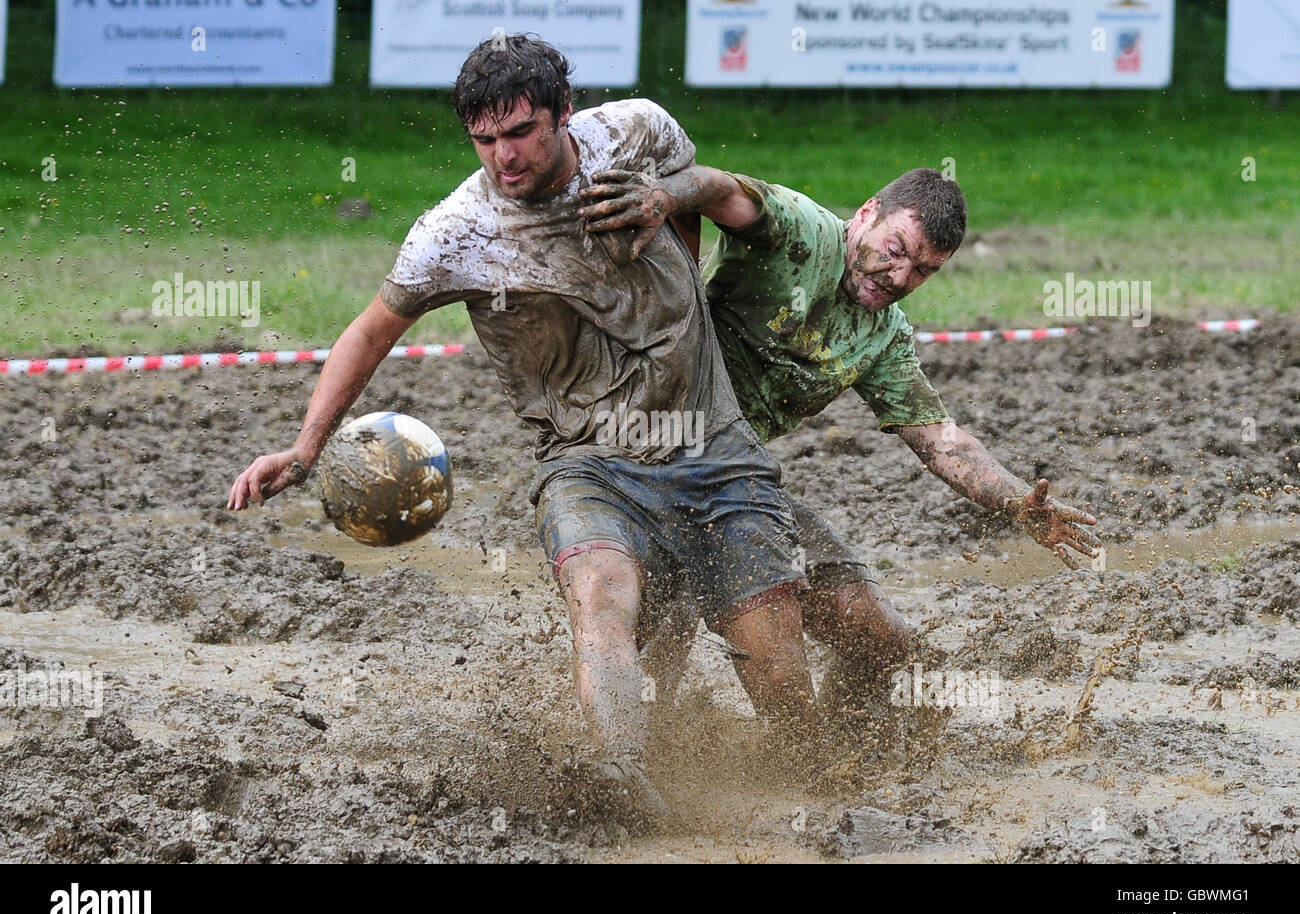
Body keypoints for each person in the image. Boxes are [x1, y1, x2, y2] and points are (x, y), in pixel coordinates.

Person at [226, 36, 821, 820]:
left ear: (564, 113)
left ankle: (809, 785)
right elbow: (370, 331)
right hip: (588, 461)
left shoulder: (638, 130)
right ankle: (623, 780)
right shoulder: (456, 232)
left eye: (520, 132)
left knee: (785, 691)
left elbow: (700, 192)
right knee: (601, 594)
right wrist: (305, 448)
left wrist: (668, 232)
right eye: (484, 138)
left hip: (713, 445)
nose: (502, 156)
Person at [576, 166, 1102, 712]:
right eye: (896, 250)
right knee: (652, 658)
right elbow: (724, 190)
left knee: (883, 640)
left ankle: (841, 760)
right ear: (868, 214)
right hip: (642, 458)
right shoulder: (801, 231)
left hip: (737, 486)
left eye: (923, 270)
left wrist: (1015, 501)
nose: (900, 276)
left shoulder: (883, 335)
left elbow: (941, 439)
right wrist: (663, 196)